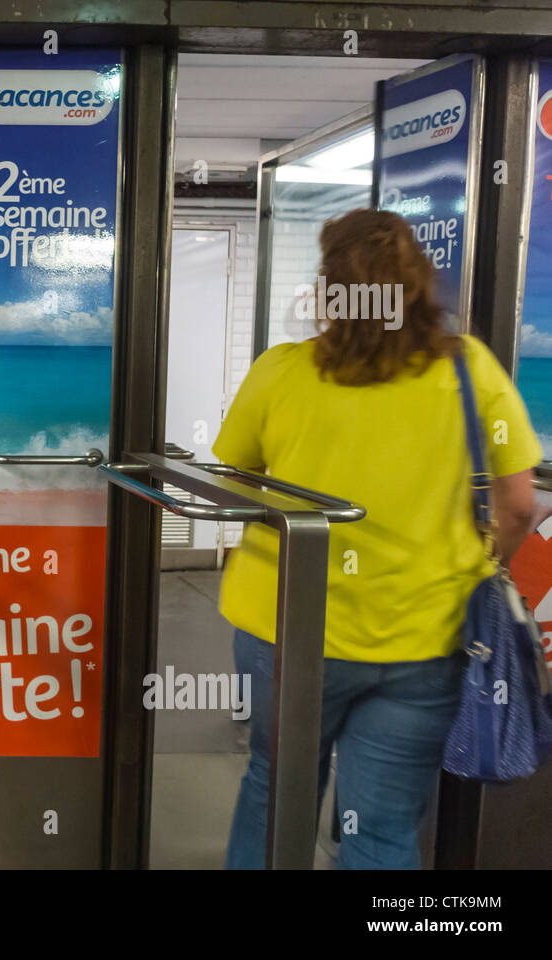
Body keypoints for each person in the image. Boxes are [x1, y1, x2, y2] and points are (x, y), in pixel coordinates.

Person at [214, 208, 541, 869]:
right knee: (384, 829)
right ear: (421, 282)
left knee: (275, 786)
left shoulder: (283, 370)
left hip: (285, 628)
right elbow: (519, 505)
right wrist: (479, 567)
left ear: (329, 288)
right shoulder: (468, 370)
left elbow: (231, 484)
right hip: (426, 636)